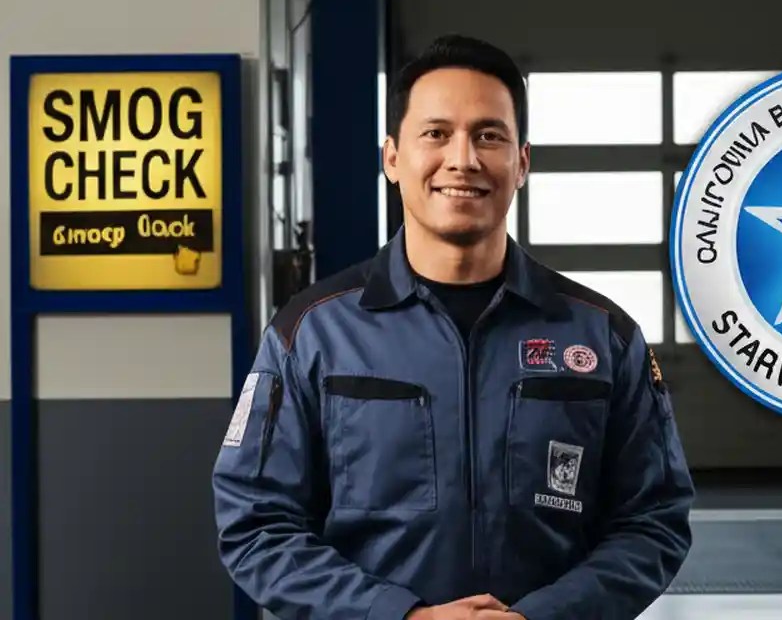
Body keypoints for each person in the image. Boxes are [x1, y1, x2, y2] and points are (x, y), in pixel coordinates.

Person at [211, 34, 696, 619]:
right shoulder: (312, 334)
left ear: (522, 163)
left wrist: (544, 616)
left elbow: (653, 521)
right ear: (392, 158)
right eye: (436, 133)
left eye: (489, 135)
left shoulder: (602, 336)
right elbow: (257, 524)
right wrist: (398, 616)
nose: (463, 159)